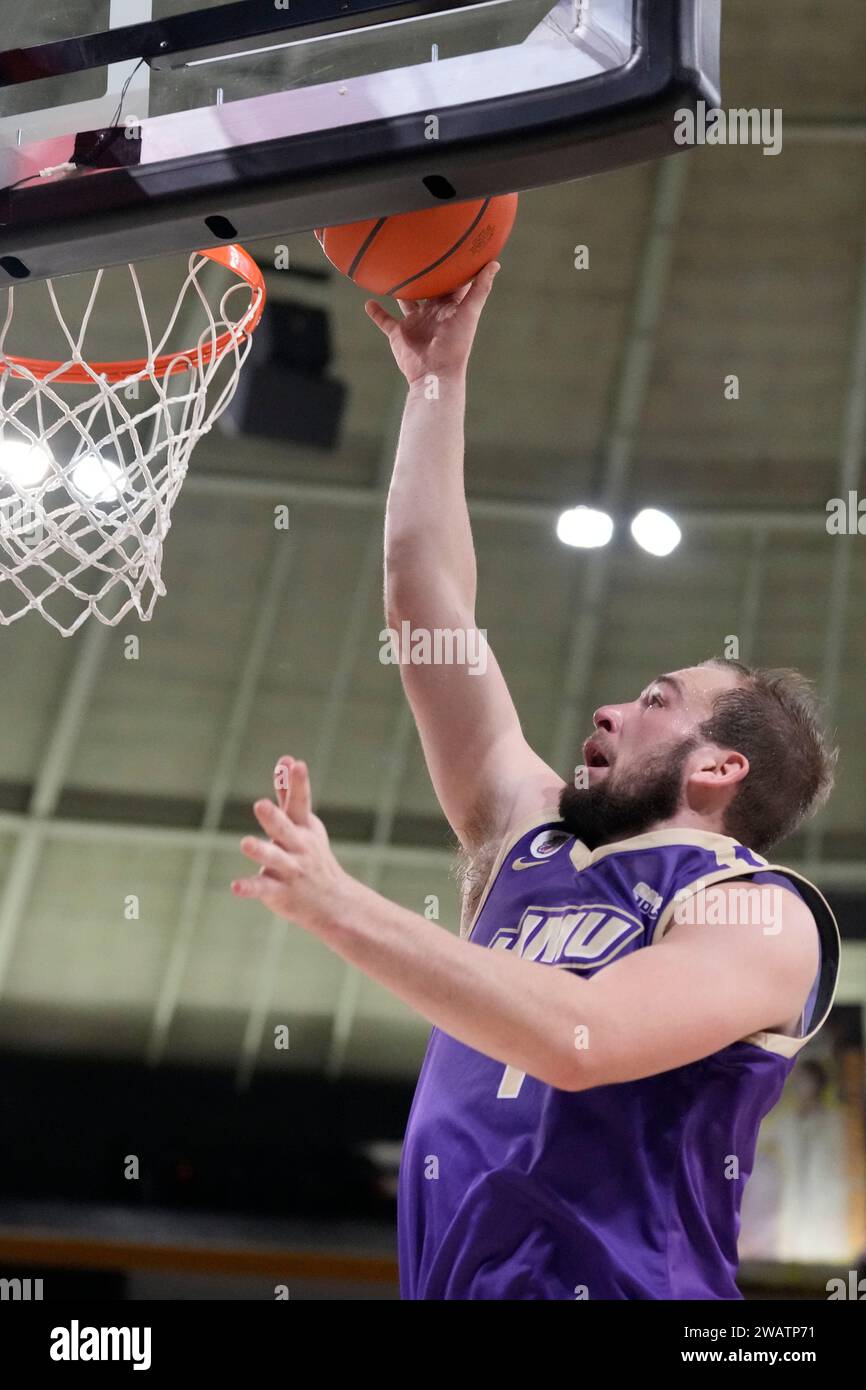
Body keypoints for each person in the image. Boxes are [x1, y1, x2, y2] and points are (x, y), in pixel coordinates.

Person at [233, 263, 841, 1300]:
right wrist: (437, 380)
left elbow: (581, 1036)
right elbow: (424, 603)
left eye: (655, 699)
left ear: (719, 766)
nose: (607, 708)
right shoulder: (530, 833)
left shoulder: (756, 914)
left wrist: (343, 910)